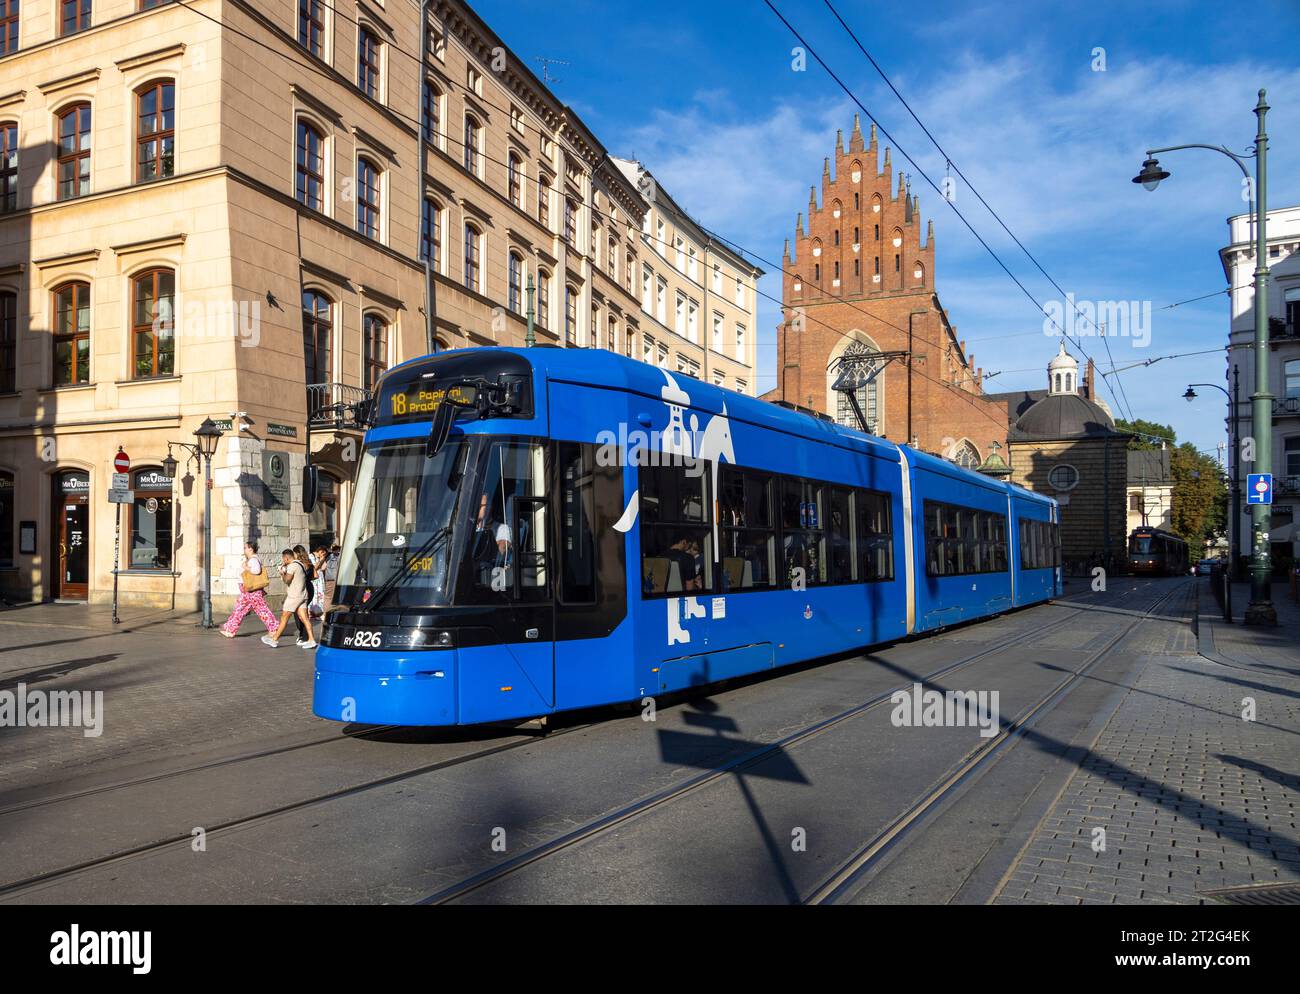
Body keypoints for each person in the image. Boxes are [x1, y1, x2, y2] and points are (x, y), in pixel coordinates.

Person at [219, 541, 278, 638]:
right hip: (248, 591)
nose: (244, 549)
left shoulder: (253, 559)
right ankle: (230, 629)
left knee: (259, 610)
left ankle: (274, 628)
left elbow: (256, 570)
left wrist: (246, 567)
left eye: (245, 548)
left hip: (251, 591)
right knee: (241, 609)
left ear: (251, 548)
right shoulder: (252, 559)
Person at [261, 549, 316, 649]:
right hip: (303, 595)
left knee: (284, 617)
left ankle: (274, 639)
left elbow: (287, 580)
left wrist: (282, 572)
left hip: (294, 596)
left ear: (286, 558)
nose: (283, 560)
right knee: (304, 618)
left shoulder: (292, 566)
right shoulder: (301, 564)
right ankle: (311, 640)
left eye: (283, 558)